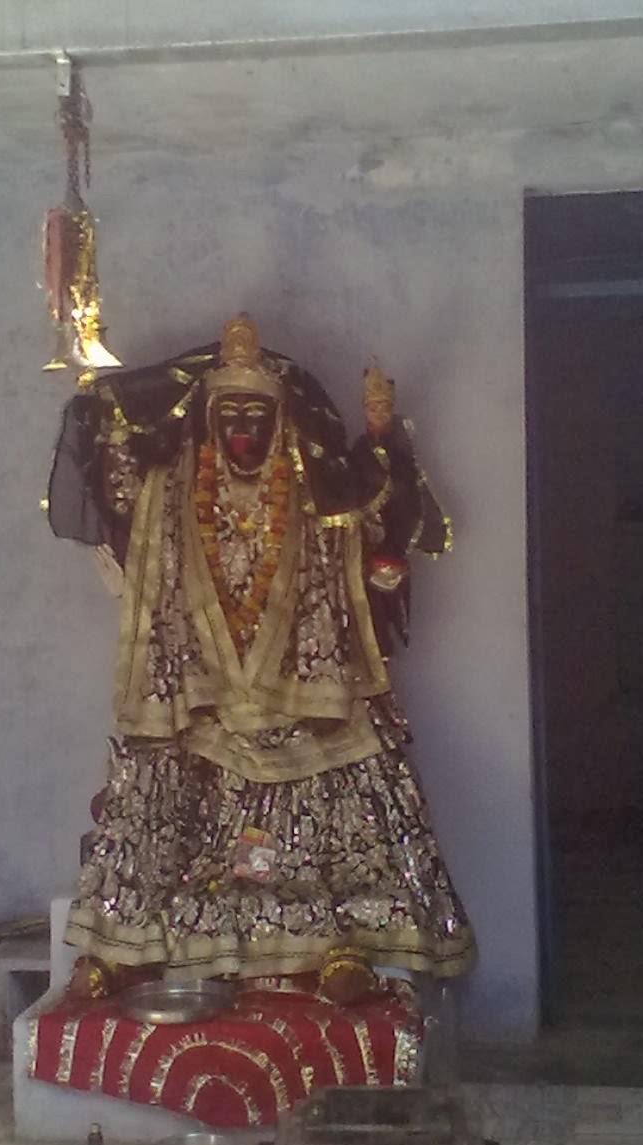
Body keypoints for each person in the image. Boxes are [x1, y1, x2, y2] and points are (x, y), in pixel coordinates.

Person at [47, 313, 475, 983]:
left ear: (279, 417)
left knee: (335, 797)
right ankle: (134, 943)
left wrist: (384, 444)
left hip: (301, 688)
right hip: (203, 691)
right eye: (230, 412)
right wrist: (106, 417)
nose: (243, 427)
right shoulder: (174, 482)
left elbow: (368, 515)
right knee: (167, 794)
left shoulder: (310, 481)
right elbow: (122, 500)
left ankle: (337, 942)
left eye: (256, 412)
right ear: (208, 418)